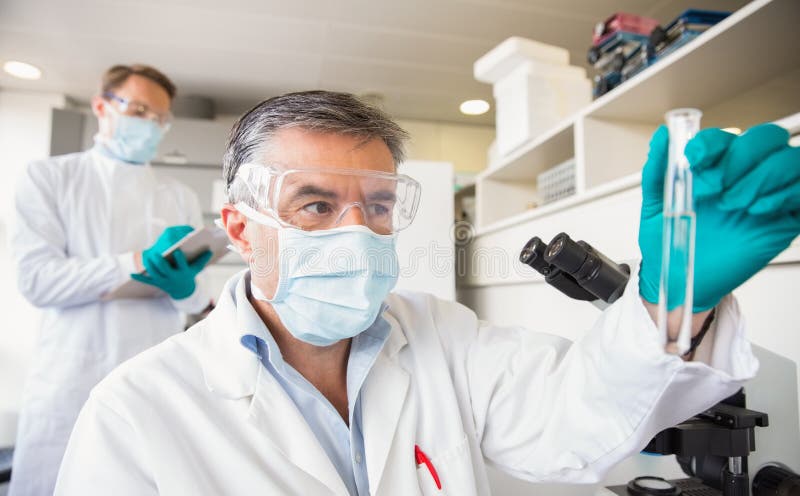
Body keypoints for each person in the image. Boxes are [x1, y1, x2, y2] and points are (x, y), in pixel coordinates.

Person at [54, 91, 799, 495]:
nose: (358, 232)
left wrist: (676, 297)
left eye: (377, 207)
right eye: (315, 206)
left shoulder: (441, 333)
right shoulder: (137, 410)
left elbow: (576, 418)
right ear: (240, 231)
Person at [9, 64, 214, 496]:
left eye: (160, 118)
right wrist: (135, 262)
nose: (151, 126)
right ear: (103, 106)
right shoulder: (49, 178)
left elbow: (196, 300)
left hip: (153, 377)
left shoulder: (179, 196)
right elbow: (38, 281)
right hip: (70, 380)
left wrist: (185, 286)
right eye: (139, 110)